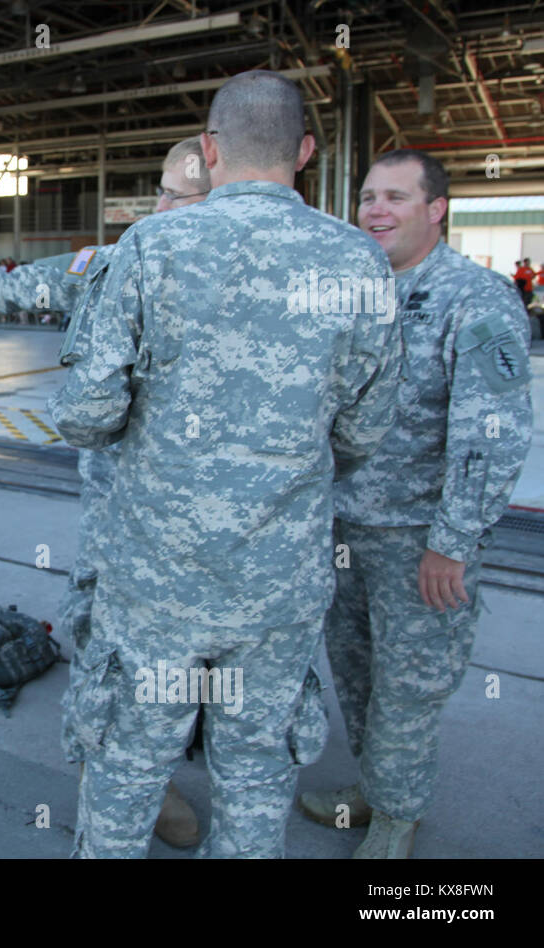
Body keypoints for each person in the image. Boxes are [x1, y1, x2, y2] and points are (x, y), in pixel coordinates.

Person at [49, 70, 403, 858]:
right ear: (305, 152)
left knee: (128, 767)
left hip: (156, 586)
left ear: (209, 151)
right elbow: (365, 430)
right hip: (278, 586)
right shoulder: (358, 262)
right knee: (254, 774)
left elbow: (86, 415)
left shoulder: (150, 247)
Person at [0, 136, 213, 849]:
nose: (157, 207)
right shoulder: (121, 265)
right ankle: (133, 794)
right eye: (159, 191)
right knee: (103, 652)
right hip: (120, 525)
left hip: (216, 534)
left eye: (175, 195)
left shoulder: (266, 279)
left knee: (196, 672)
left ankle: (162, 776)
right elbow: (31, 280)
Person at [299, 149, 533, 858]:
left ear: (436, 210)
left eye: (396, 197)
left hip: (419, 541)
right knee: (360, 675)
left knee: (409, 689)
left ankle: (398, 820)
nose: (375, 210)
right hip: (343, 529)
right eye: (369, 196)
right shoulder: (352, 294)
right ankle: (377, 789)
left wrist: (453, 539)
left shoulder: (478, 297)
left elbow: (492, 432)